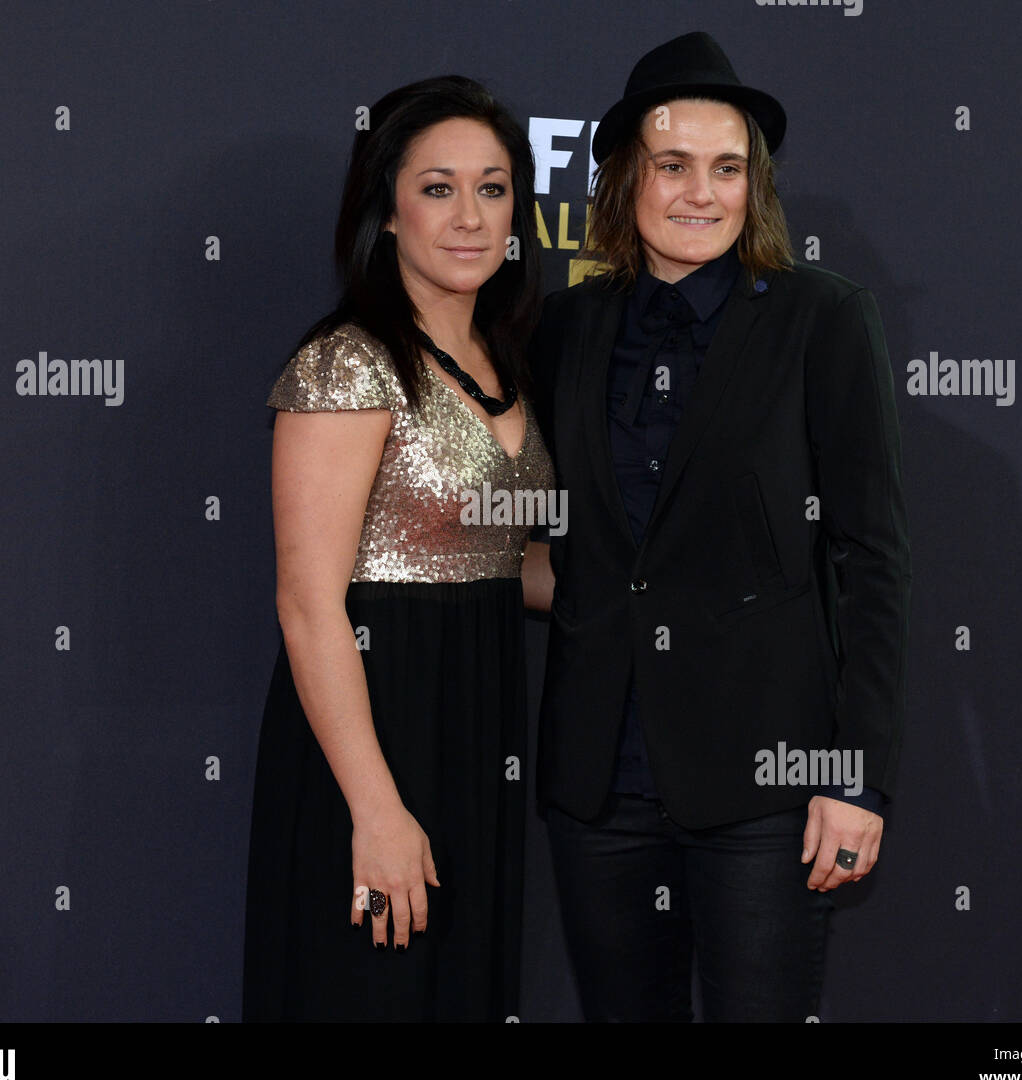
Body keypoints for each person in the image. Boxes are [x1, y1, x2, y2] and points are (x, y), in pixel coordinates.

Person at [526, 31, 912, 1021]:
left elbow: (871, 560)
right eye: (673, 165)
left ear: (755, 186)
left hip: (766, 786)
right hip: (598, 785)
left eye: (728, 167)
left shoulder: (819, 318)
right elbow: (551, 532)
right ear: (623, 180)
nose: (701, 192)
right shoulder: (566, 328)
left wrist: (855, 777)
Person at [242, 75, 553, 1021]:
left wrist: (667, 586)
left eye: (493, 188)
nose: (469, 216)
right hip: (372, 735)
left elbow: (513, 562)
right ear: (386, 212)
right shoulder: (347, 362)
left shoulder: (512, 362)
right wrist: (375, 811)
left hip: (482, 726)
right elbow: (308, 604)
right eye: (437, 187)